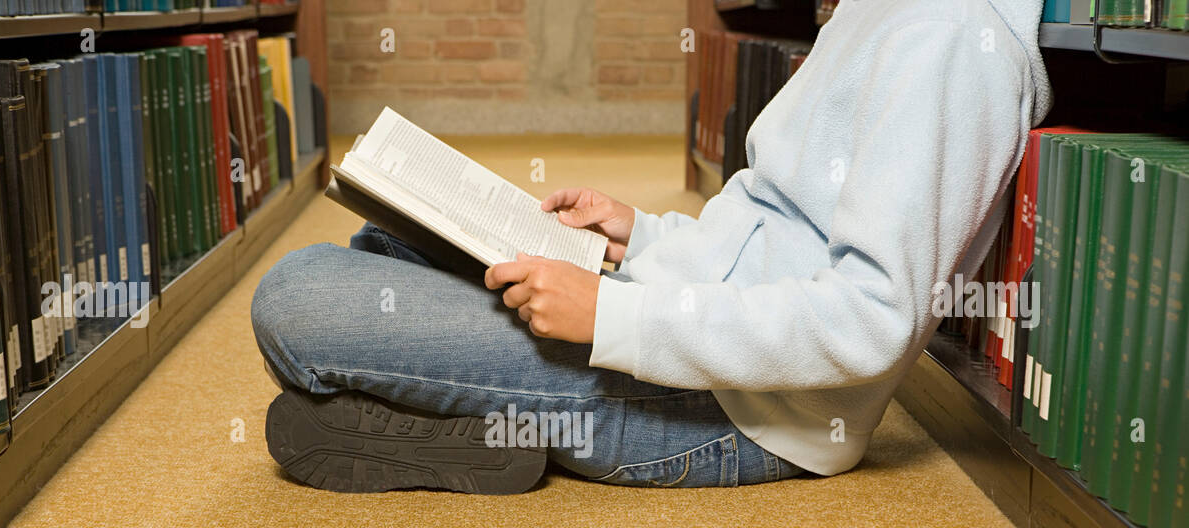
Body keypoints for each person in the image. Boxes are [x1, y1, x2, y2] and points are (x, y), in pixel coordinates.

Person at [251, 0, 1052, 494]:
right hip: (688, 337)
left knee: (301, 295)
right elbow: (774, 228)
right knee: (390, 238)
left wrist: (614, 318)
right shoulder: (883, 9)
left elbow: (871, 316)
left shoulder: (952, 41)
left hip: (735, 411)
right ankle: (482, 418)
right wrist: (641, 240)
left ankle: (491, 421)